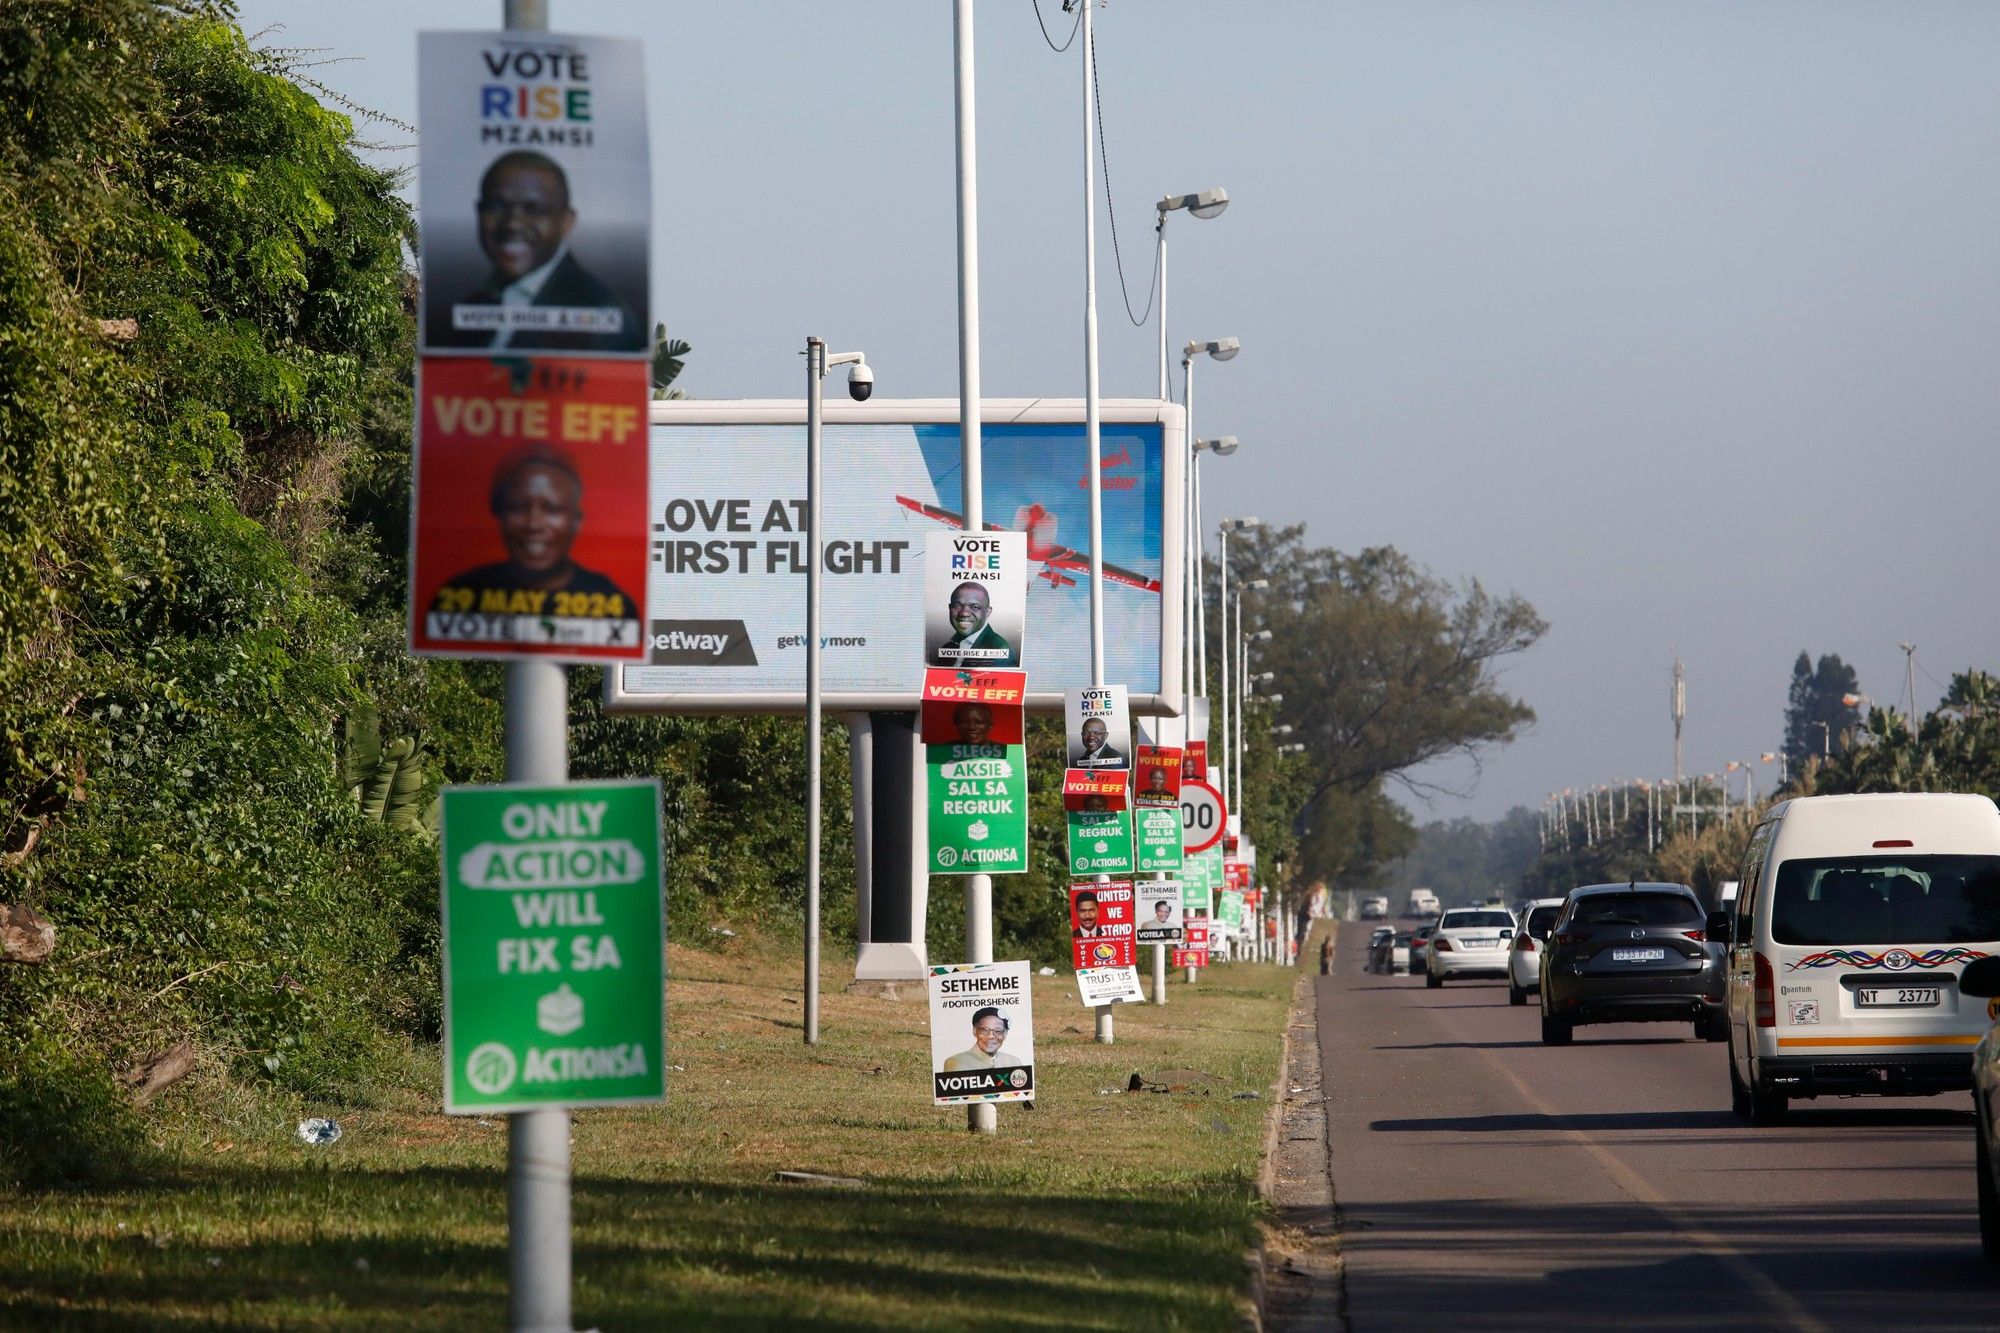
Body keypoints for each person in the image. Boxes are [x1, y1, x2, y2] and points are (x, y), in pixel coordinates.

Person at [432, 151, 642, 353]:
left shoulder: (605, 316)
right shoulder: (457, 315)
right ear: (479, 212)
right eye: (496, 206)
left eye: (534, 209)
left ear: (567, 221)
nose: (513, 223)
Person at [435, 447, 638, 614]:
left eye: (551, 509)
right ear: (499, 515)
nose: (534, 524)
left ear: (576, 520)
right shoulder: (459, 598)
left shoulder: (614, 606)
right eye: (518, 507)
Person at [935, 582, 1017, 666]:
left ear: (987, 612)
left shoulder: (1001, 651)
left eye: (974, 607)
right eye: (956, 605)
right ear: (949, 608)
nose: (964, 613)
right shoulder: (947, 648)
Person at [942, 1006, 1022, 1072]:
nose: (991, 1036)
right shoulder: (956, 1062)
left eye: (998, 1031)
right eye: (984, 1030)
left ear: (1005, 1035)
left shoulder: (1014, 1062)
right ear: (974, 1031)